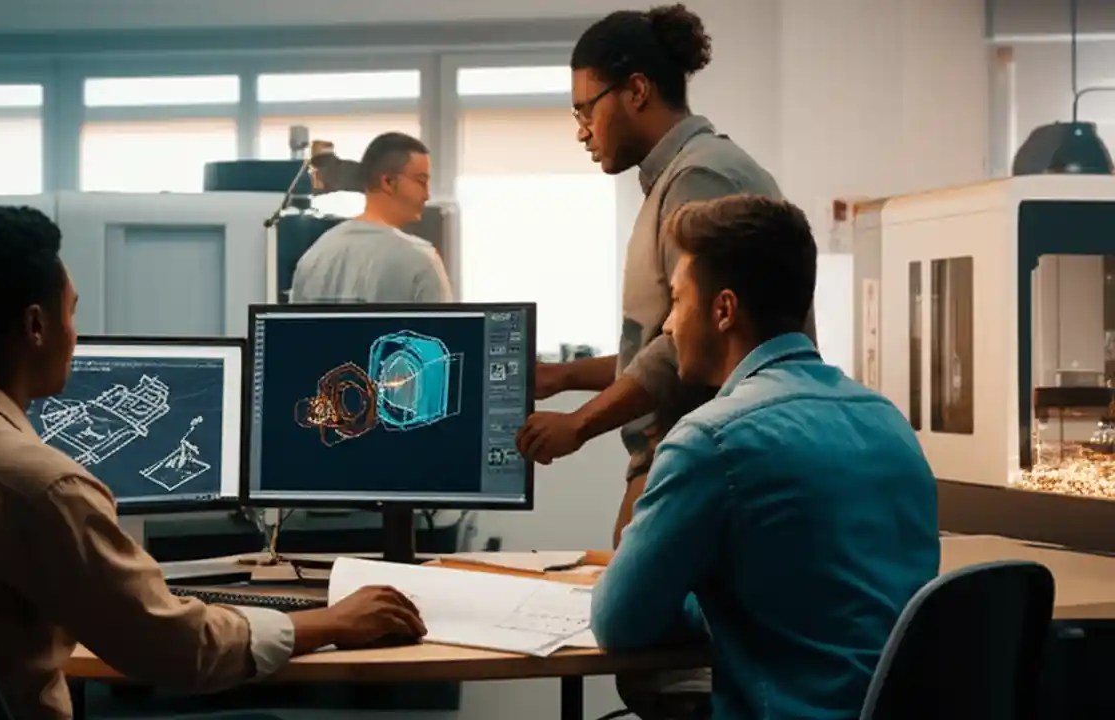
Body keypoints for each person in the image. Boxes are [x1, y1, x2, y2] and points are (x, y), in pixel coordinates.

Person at [0, 206, 426, 720]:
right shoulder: (38, 485)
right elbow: (181, 650)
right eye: (71, 312)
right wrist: (329, 622)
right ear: (37, 326)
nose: (76, 331)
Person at [591, 195, 939, 720]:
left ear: (723, 310)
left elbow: (620, 621)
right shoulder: (889, 423)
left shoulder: (709, 441)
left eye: (678, 301)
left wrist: (704, 599)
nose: (666, 327)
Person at [515, 4, 816, 548]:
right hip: (698, 461)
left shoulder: (700, 177)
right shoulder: (681, 177)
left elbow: (688, 343)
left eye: (586, 109)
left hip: (702, 466)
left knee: (624, 628)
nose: (581, 132)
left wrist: (579, 424)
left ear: (636, 90)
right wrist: (562, 377)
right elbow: (670, 342)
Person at [290, 132, 453, 304]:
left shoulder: (314, 256)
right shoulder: (421, 261)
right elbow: (441, 330)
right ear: (388, 182)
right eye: (421, 181)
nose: (426, 195)